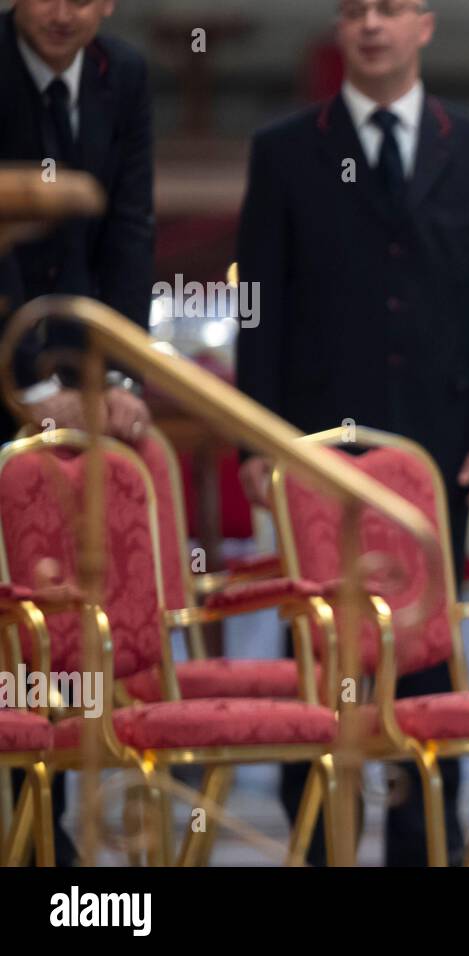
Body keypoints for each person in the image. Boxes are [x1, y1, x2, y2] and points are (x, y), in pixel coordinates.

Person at [235, 0, 469, 865]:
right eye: (355, 9)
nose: (372, 24)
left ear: (424, 23)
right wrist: (258, 440)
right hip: (316, 446)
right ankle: (318, 839)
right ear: (338, 25)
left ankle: (422, 840)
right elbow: (259, 309)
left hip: (439, 446)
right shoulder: (286, 148)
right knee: (319, 649)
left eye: (390, 8)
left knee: (425, 651)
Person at [1, 0, 155, 867]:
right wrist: (30, 384)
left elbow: (127, 230)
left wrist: (117, 375)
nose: (63, 12)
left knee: (54, 608)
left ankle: (41, 815)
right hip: (9, 365)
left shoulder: (121, 76)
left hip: (74, 380)